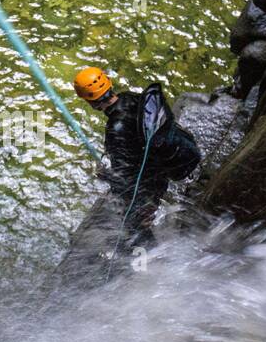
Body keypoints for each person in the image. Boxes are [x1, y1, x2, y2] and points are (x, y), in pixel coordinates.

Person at [73, 67, 201, 250]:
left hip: (148, 179)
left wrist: (104, 174)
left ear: (90, 101)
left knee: (135, 222)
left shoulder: (116, 129)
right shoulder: (130, 97)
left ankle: (149, 254)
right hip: (160, 165)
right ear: (109, 84)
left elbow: (124, 179)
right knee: (146, 209)